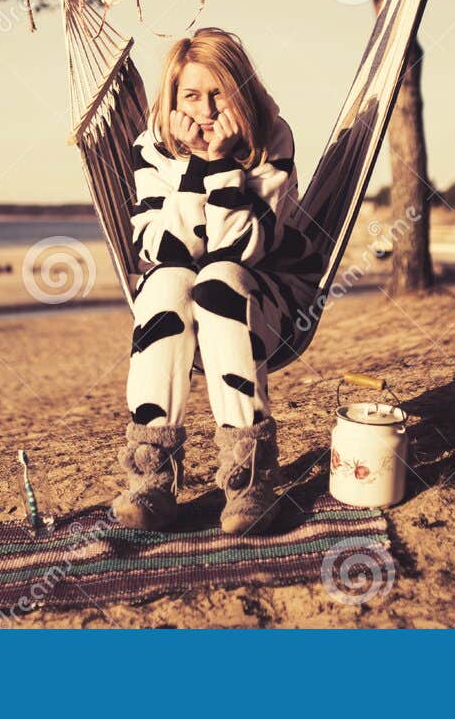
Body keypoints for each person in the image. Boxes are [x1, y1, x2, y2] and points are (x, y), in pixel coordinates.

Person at [112, 28, 320, 535]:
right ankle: (151, 476)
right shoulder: (152, 150)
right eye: (190, 95)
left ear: (239, 89)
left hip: (269, 301)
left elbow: (242, 247)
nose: (204, 110)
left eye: (217, 92)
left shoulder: (273, 138)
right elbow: (163, 251)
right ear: (172, 98)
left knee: (219, 279)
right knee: (165, 284)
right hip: (185, 302)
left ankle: (249, 478)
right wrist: (193, 167)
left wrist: (217, 162)